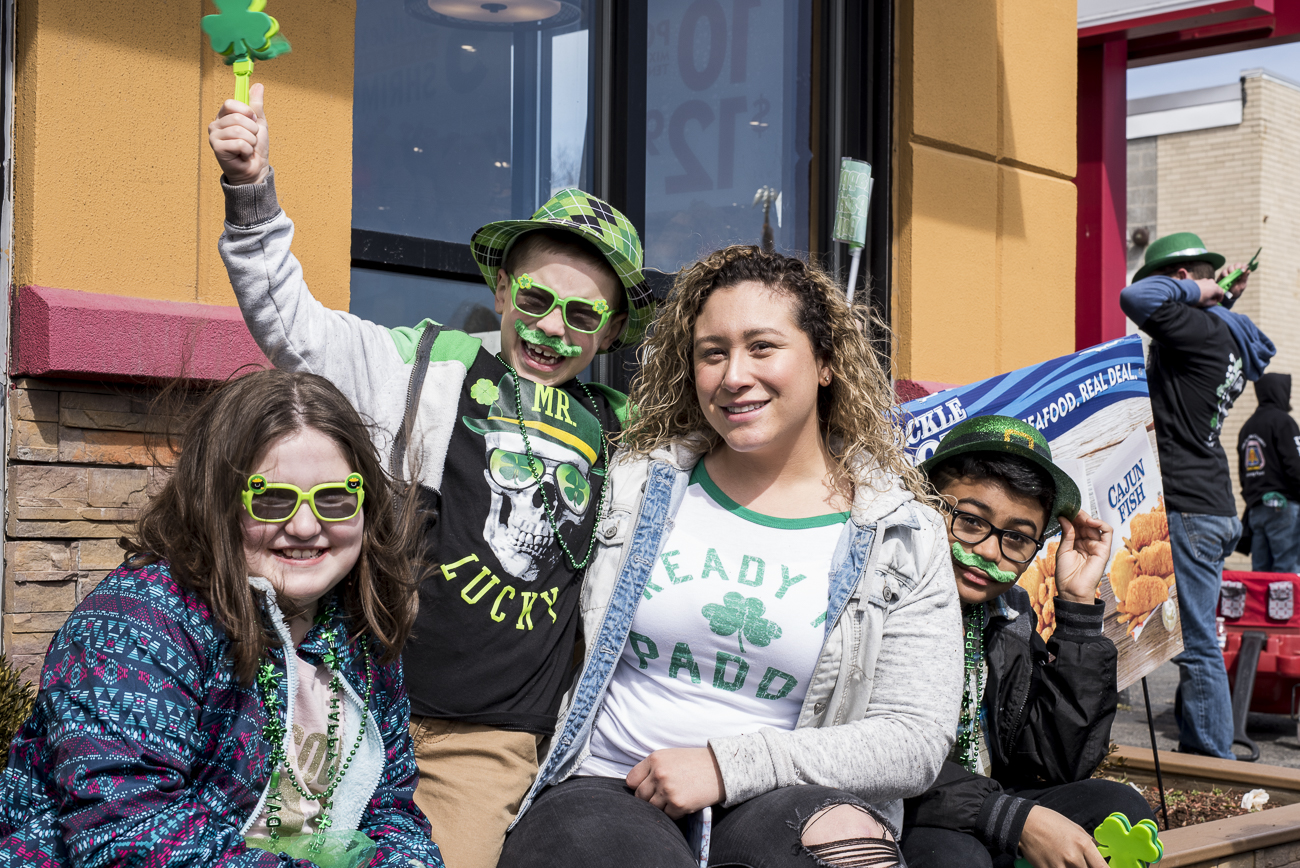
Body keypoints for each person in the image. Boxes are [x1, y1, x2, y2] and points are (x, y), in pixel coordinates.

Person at [208, 85, 653, 867]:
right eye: (537, 299)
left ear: (613, 329)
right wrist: (251, 192)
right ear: (503, 289)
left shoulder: (629, 439)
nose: (552, 327)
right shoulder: (421, 365)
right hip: (355, 699)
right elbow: (294, 328)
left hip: (487, 744)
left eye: (583, 315)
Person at [498, 246, 963, 868]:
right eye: (712, 353)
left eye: (763, 347)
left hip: (782, 791)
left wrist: (727, 766)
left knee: (850, 850)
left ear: (825, 362)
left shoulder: (903, 535)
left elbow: (913, 740)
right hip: (610, 780)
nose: (734, 375)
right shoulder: (632, 483)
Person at [0, 369, 442, 868]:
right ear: (216, 500)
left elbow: (389, 809)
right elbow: (132, 835)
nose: (304, 526)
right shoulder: (137, 623)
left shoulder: (359, 629)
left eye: (335, 497)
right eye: (270, 498)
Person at [901, 415, 1156, 868]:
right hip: (899, 810)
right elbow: (874, 759)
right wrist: (1005, 817)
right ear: (927, 505)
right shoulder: (881, 600)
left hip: (988, 808)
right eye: (970, 521)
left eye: (1017, 538)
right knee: (956, 857)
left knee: (1119, 810)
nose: (988, 551)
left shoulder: (1010, 614)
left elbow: (1056, 763)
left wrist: (1077, 611)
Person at [1120, 231, 1275, 758]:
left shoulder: (1196, 326)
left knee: (1193, 641)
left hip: (1189, 505)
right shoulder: (1222, 334)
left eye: (1170, 282)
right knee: (1195, 636)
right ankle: (1198, 748)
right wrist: (1219, 297)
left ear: (1182, 279)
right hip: (1212, 505)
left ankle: (1215, 762)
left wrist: (1203, 292)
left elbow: (1135, 297)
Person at [1238, 373, 1300, 573]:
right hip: (1283, 508)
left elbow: (1243, 475)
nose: (1289, 397)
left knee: (1261, 573)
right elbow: (1296, 466)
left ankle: (1262, 598)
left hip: (1257, 510)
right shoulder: (1284, 422)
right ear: (1279, 392)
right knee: (1287, 571)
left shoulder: (1246, 428)